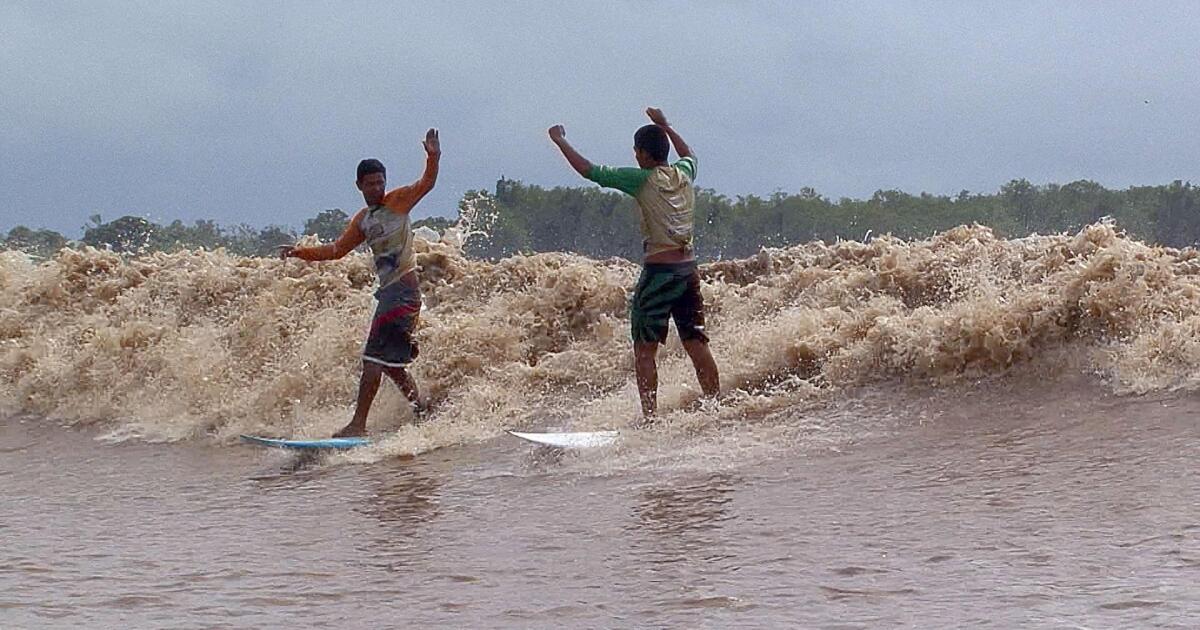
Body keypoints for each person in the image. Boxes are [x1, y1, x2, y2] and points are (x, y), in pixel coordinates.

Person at [548, 108, 719, 419]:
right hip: (689, 271)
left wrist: (560, 141)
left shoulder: (641, 179)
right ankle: (716, 406)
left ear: (642, 153)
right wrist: (666, 125)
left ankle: (651, 419)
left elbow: (589, 170)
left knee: (644, 351)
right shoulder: (684, 173)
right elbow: (690, 153)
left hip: (659, 275)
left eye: (636, 150)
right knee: (696, 343)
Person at [279, 128, 440, 437]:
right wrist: (300, 252)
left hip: (404, 293)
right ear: (359, 186)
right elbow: (337, 250)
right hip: (389, 295)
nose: (377, 188)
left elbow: (427, 183)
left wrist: (433, 156)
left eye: (381, 182)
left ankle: (358, 425)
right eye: (370, 184)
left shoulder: (398, 202)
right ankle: (422, 410)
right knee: (391, 364)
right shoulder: (363, 220)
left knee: (372, 358)